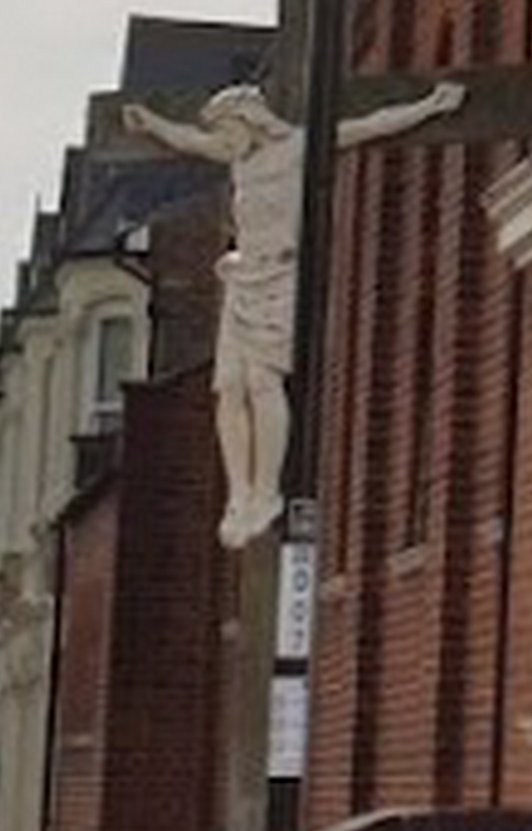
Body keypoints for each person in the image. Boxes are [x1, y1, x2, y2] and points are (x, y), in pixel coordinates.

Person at [122, 77, 465, 548]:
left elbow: (370, 127)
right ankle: (239, 493)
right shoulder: (238, 157)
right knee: (229, 388)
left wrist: (430, 106)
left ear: (249, 121)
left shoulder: (301, 147)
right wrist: (151, 122)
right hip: (244, 278)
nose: (224, 145)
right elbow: (191, 141)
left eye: (228, 132)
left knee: (263, 381)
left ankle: (266, 492)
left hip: (281, 279)